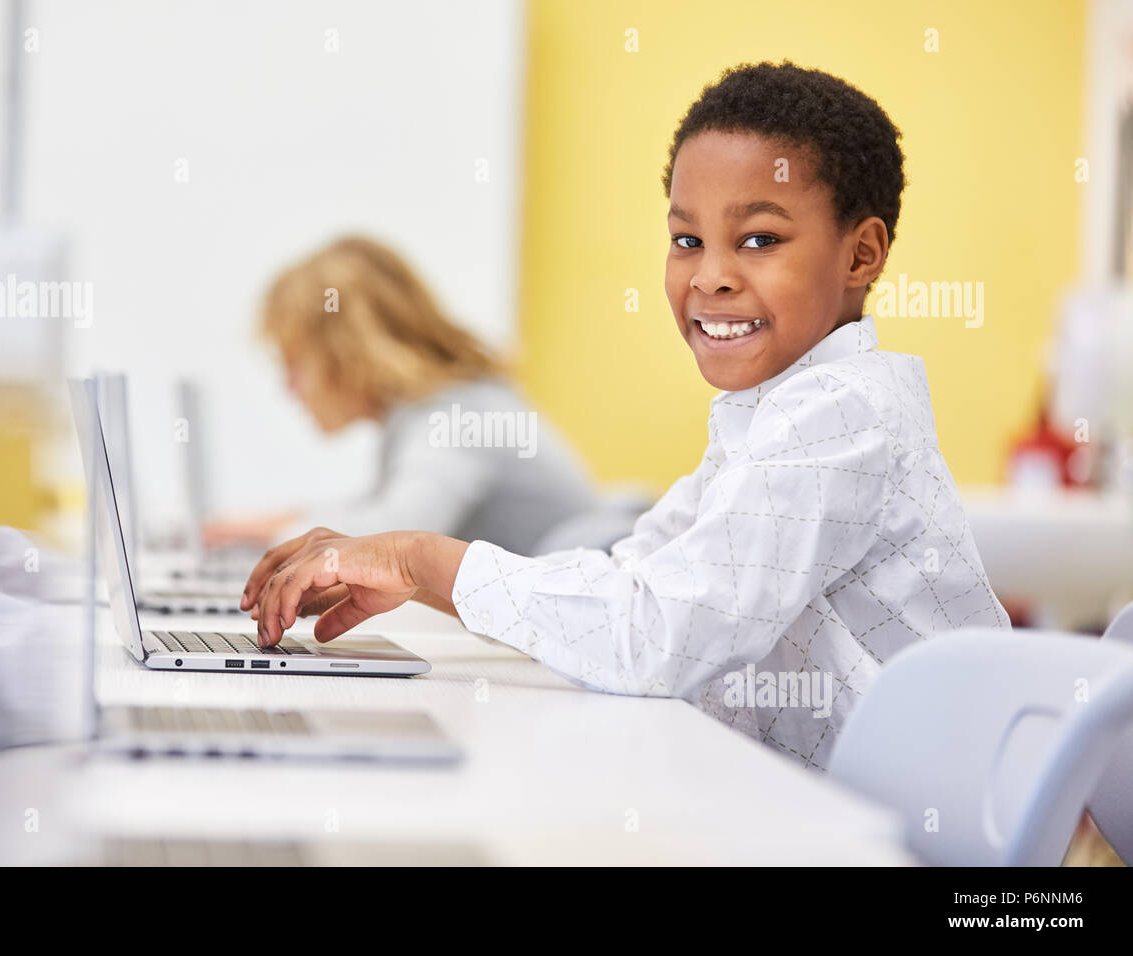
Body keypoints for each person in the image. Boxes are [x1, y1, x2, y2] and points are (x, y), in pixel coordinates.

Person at [240, 61, 1011, 772]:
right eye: (687, 239)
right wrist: (422, 576)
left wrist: (418, 561)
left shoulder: (845, 416)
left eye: (759, 239)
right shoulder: (769, 417)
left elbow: (657, 639)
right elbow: (630, 580)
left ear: (861, 255)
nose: (711, 276)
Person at [203, 236, 598, 558]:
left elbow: (396, 534)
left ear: (347, 356)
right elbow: (378, 511)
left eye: (295, 364)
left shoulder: (455, 418)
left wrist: (273, 539)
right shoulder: (438, 409)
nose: (288, 388)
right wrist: (270, 524)